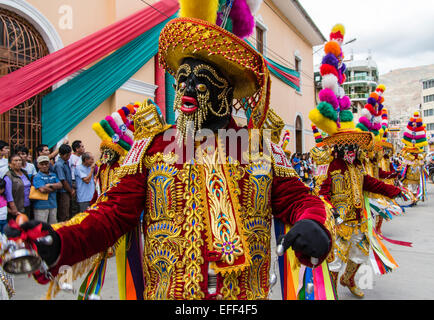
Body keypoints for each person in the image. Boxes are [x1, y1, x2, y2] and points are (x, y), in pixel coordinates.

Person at [6, 1, 332, 301]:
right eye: (183, 79)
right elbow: (112, 215)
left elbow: (300, 199)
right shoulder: (153, 147)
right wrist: (60, 241)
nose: (187, 88)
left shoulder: (262, 149)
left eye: (201, 81)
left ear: (227, 90)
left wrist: (313, 222)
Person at [309, 25, 403, 299]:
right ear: (340, 147)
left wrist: (394, 191)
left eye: (353, 146)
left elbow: (370, 182)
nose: (351, 150)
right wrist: (328, 213)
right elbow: (322, 192)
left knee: (359, 255)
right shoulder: (331, 166)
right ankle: (332, 290)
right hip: (338, 221)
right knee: (335, 260)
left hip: (360, 219)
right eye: (347, 146)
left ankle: (350, 281)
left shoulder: (357, 166)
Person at [32, 156, 63, 224]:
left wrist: (50, 185)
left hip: (53, 204)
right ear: (38, 165)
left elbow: (60, 185)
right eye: (42, 164)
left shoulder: (53, 175)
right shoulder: (37, 176)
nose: (44, 166)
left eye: (46, 164)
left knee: (53, 225)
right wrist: (55, 188)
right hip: (41, 206)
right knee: (41, 227)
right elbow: (42, 189)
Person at [53, 144, 74, 222]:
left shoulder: (66, 162)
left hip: (67, 190)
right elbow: (63, 180)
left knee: (68, 212)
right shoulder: (59, 165)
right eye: (67, 155)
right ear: (61, 154)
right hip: (63, 192)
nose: (69, 156)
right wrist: (71, 190)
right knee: (64, 214)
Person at [70, 140, 85, 217]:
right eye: (82, 147)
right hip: (74, 182)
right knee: (74, 203)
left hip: (82, 182)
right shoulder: (71, 158)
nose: (84, 148)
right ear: (77, 149)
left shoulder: (82, 158)